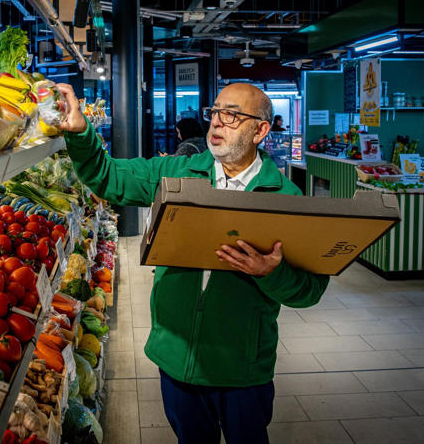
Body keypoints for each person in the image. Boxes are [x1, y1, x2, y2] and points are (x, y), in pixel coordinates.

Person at [56, 82, 328, 444]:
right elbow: (107, 176)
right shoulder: (177, 174)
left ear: (261, 130)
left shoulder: (285, 197)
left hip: (242, 368)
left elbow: (310, 290)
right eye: (214, 112)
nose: (217, 122)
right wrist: (80, 133)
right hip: (177, 358)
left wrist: (272, 274)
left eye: (231, 115)